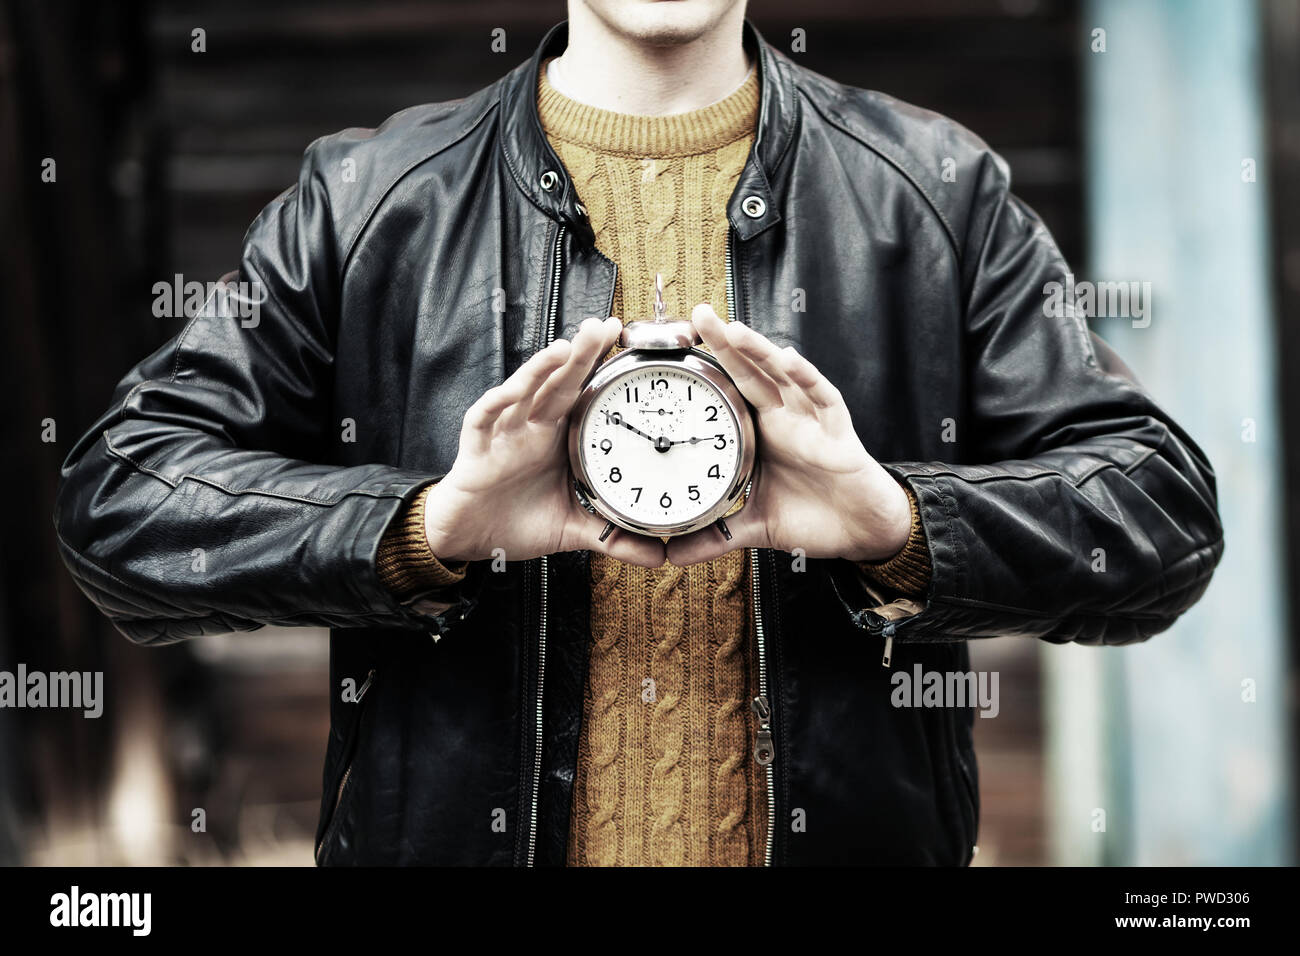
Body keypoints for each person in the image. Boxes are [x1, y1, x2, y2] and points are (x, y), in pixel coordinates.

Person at [54, 0, 1223, 866]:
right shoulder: (368, 204)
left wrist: (897, 522)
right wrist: (420, 528)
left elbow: (1158, 514)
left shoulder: (932, 191)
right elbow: (121, 500)